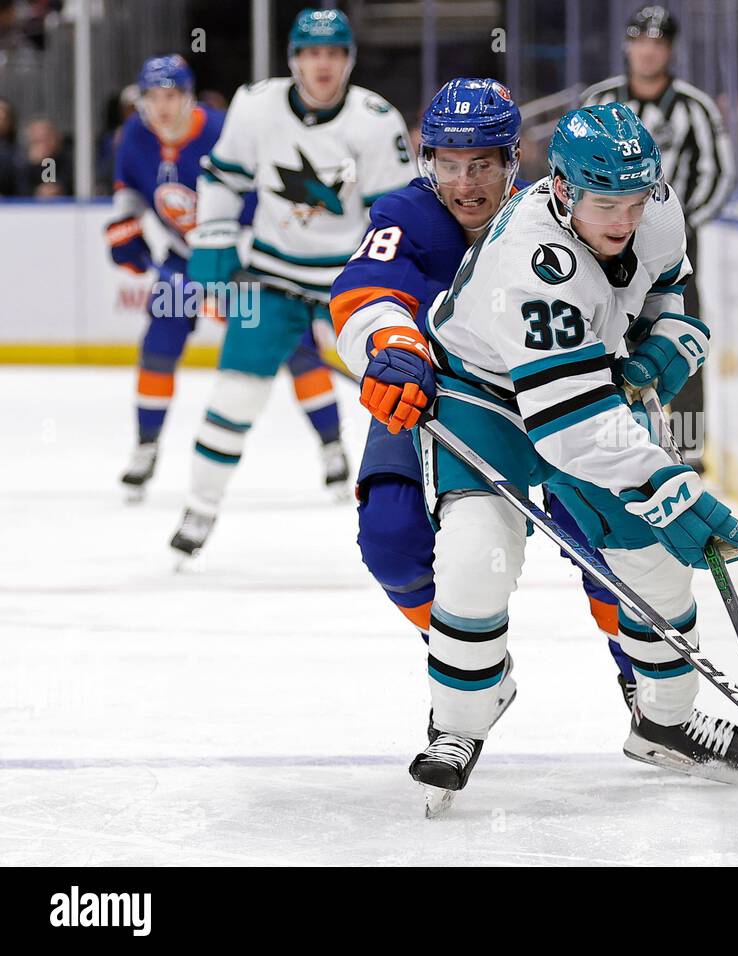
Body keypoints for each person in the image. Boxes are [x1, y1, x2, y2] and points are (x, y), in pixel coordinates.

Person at [336, 102, 738, 814]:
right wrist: (669, 483)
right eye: (604, 205)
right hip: (484, 395)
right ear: (561, 190)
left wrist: (663, 344)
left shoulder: (655, 208)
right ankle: (460, 723)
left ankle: (666, 719)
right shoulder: (531, 260)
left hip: (579, 384)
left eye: (634, 200)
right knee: (475, 556)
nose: (623, 221)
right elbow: (570, 429)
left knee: (649, 559)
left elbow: (667, 290)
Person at [331, 77, 641, 759]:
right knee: (388, 535)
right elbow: (363, 293)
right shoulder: (405, 215)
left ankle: (650, 697)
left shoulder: (558, 215)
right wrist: (393, 345)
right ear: (427, 162)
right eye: (448, 163)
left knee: (616, 545)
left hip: (553, 400)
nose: (464, 183)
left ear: (513, 161)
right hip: (439, 398)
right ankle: (470, 677)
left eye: (482, 164)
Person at [169, 8, 412, 557]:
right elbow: (222, 178)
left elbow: (396, 216)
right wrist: (213, 237)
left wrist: (398, 282)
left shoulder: (375, 120)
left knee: (405, 389)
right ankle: (201, 507)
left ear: (348, 59)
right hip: (271, 274)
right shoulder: (254, 106)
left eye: (333, 54)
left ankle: (419, 501)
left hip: (353, 281)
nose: (322, 66)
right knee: (236, 392)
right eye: (310, 53)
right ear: (293, 60)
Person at [107, 54, 347, 500]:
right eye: (152, 97)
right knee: (158, 346)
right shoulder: (133, 137)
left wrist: (232, 267)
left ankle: (332, 447)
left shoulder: (222, 130)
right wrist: (123, 228)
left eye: (172, 95)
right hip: (184, 261)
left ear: (189, 96)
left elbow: (266, 195)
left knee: (297, 351)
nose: (162, 107)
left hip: (249, 259)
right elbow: (132, 195)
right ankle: (145, 447)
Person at [580, 4, 733, 467]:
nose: (647, 52)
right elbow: (568, 171)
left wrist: (677, 228)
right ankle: (606, 435)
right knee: (601, 328)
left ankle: (689, 446)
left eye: (657, 43)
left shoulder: (694, 107)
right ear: (628, 45)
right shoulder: (598, 101)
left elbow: (717, 172)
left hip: (675, 249)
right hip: (601, 245)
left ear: (669, 49)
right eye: (640, 41)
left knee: (679, 333)